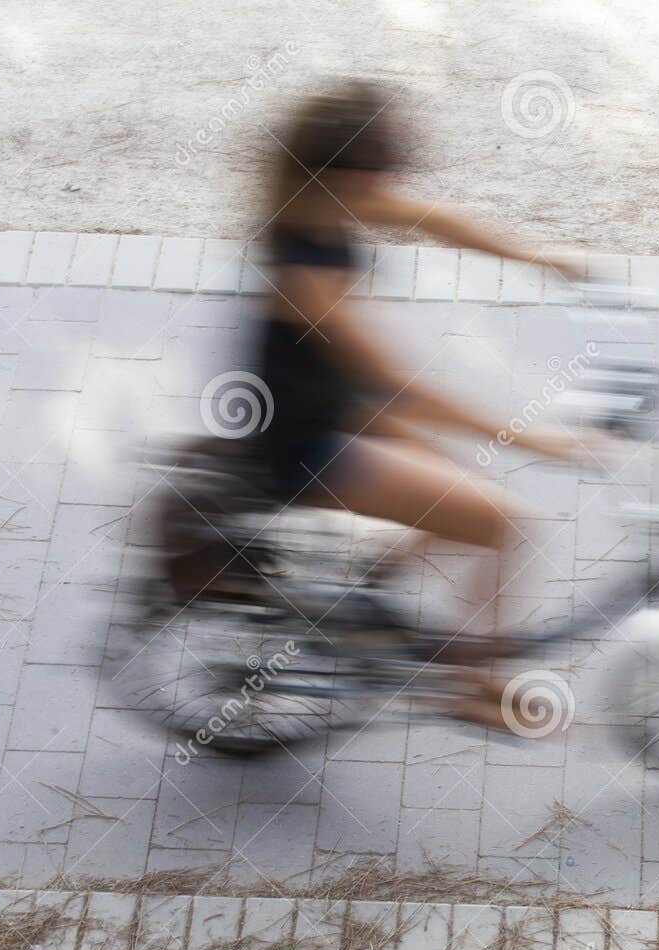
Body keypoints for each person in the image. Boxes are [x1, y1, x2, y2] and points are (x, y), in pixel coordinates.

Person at [211, 81, 597, 729]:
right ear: (344, 172)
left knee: (457, 492)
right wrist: (533, 438)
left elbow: (431, 219)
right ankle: (467, 685)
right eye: (381, 170)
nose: (391, 183)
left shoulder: (320, 200)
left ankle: (359, 589)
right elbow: (396, 386)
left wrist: (536, 257)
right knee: (504, 524)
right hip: (306, 444)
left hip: (332, 406)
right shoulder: (303, 271)